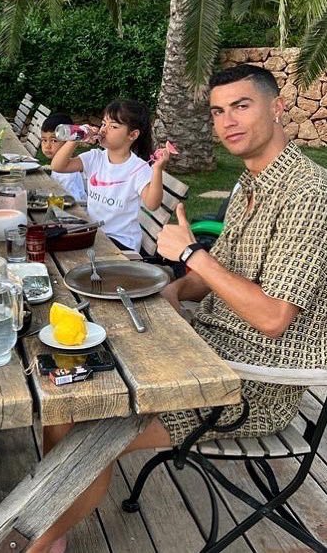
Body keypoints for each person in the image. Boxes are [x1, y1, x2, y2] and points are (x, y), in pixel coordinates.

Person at [27, 64, 327, 553]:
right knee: (64, 395)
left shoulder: (309, 196)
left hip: (247, 385)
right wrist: (173, 288)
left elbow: (273, 318)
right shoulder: (252, 185)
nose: (227, 121)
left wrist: (190, 254)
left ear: (277, 108)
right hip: (198, 349)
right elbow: (212, 279)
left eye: (241, 106)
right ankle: (50, 529)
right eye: (218, 111)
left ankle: (30, 542)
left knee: (86, 426)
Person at [51, 99, 169, 252]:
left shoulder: (138, 168)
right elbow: (58, 166)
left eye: (113, 126)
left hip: (121, 243)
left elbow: (152, 204)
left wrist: (157, 170)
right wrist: (77, 137)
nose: (104, 130)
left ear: (132, 135)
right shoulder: (95, 157)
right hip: (96, 235)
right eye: (103, 123)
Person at [40, 113, 87, 202]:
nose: (47, 146)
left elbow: (73, 202)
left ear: (68, 142)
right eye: (44, 140)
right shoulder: (59, 165)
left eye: (54, 141)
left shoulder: (68, 175)